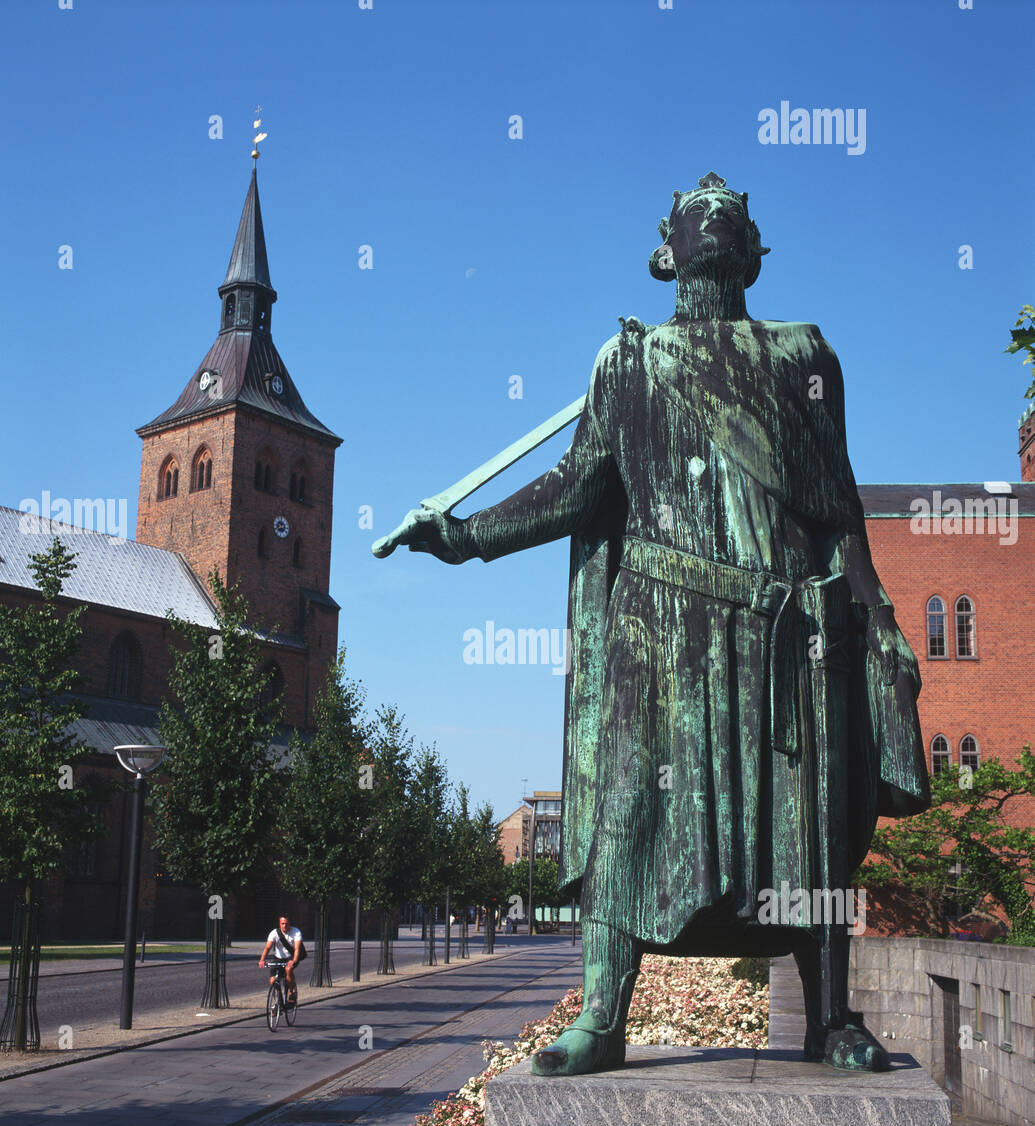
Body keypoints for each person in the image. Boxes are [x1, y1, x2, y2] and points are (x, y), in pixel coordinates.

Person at [374, 173, 928, 1076]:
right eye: (694, 208)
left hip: (781, 634)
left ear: (751, 252)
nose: (714, 207)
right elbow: (576, 485)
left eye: (733, 211)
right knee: (630, 806)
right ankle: (601, 1015)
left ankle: (830, 1017)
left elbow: (839, 511)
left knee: (807, 824)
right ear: (664, 249)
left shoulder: (805, 356)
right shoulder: (624, 362)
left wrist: (882, 618)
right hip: (657, 633)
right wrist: (467, 537)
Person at [258, 914, 303, 1005]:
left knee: (288, 969)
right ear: (279, 924)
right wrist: (262, 960)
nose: (284, 926)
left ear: (290, 923)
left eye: (286, 923)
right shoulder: (274, 933)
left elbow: (297, 949)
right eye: (282, 923)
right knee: (272, 981)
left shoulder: (296, 932)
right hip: (278, 957)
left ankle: (291, 992)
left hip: (292, 957)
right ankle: (277, 1003)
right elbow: (267, 948)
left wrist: (293, 961)